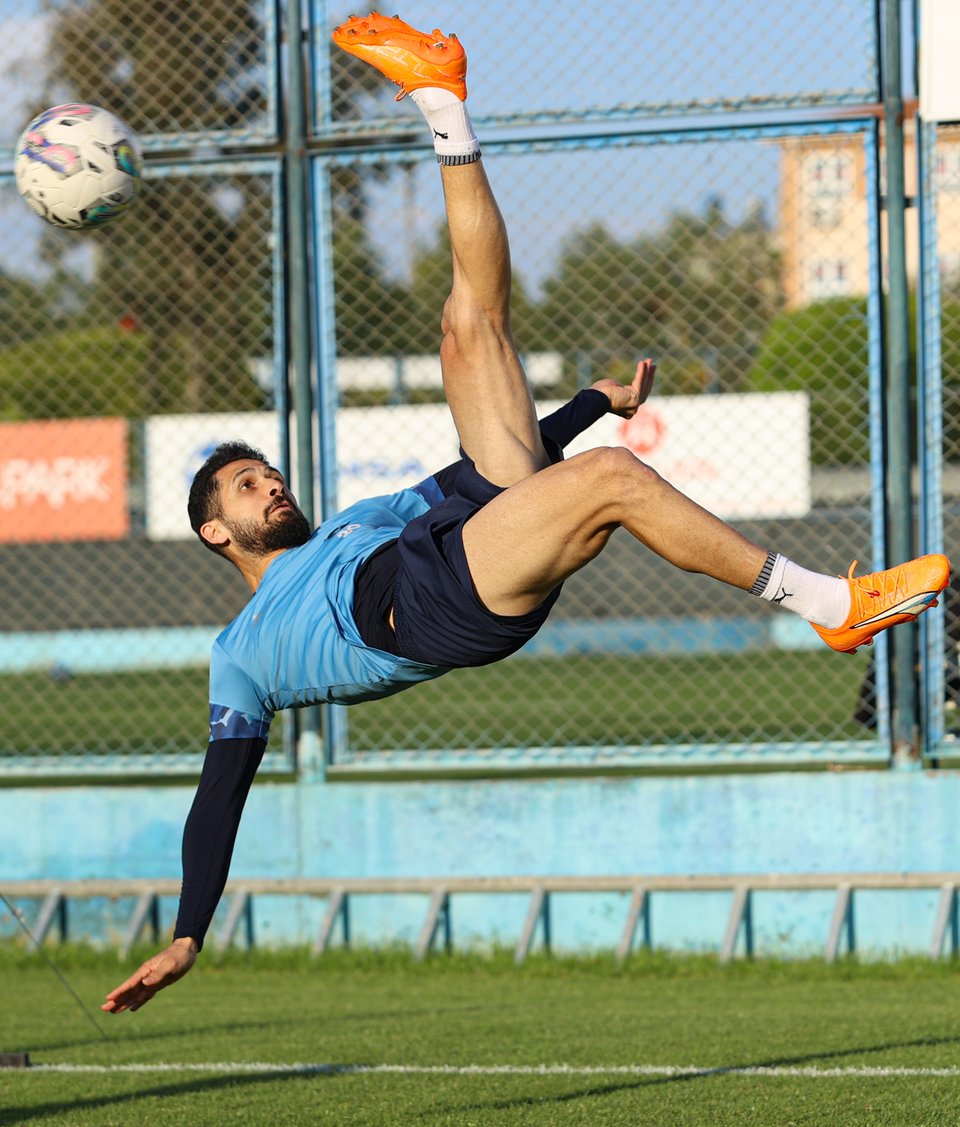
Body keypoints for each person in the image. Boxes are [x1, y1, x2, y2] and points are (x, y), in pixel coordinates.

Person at [102, 13, 950, 1014]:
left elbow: (496, 469)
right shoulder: (238, 656)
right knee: (613, 481)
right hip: (427, 610)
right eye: (246, 487)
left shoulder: (353, 521)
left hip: (443, 546)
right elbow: (220, 797)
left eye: (268, 474)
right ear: (215, 531)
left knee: (469, 328)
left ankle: (441, 101)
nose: (271, 486)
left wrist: (593, 402)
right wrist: (188, 933)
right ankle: (827, 604)